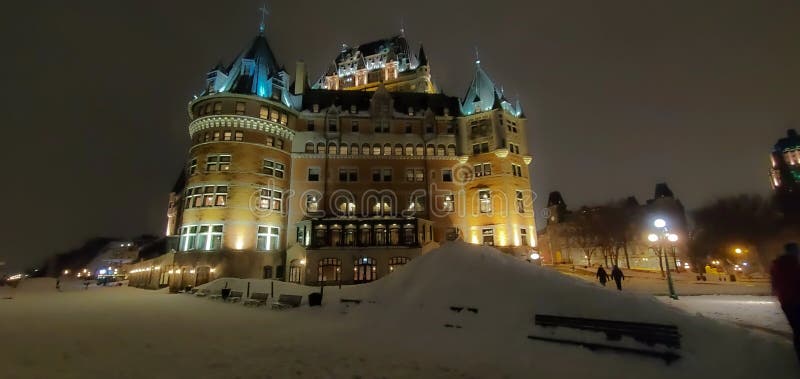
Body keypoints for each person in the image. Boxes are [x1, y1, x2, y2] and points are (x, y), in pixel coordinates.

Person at [771, 242, 800, 362]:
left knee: (797, 330)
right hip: (796, 301)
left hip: (786, 301)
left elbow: (774, 285)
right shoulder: (793, 264)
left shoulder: (777, 264)